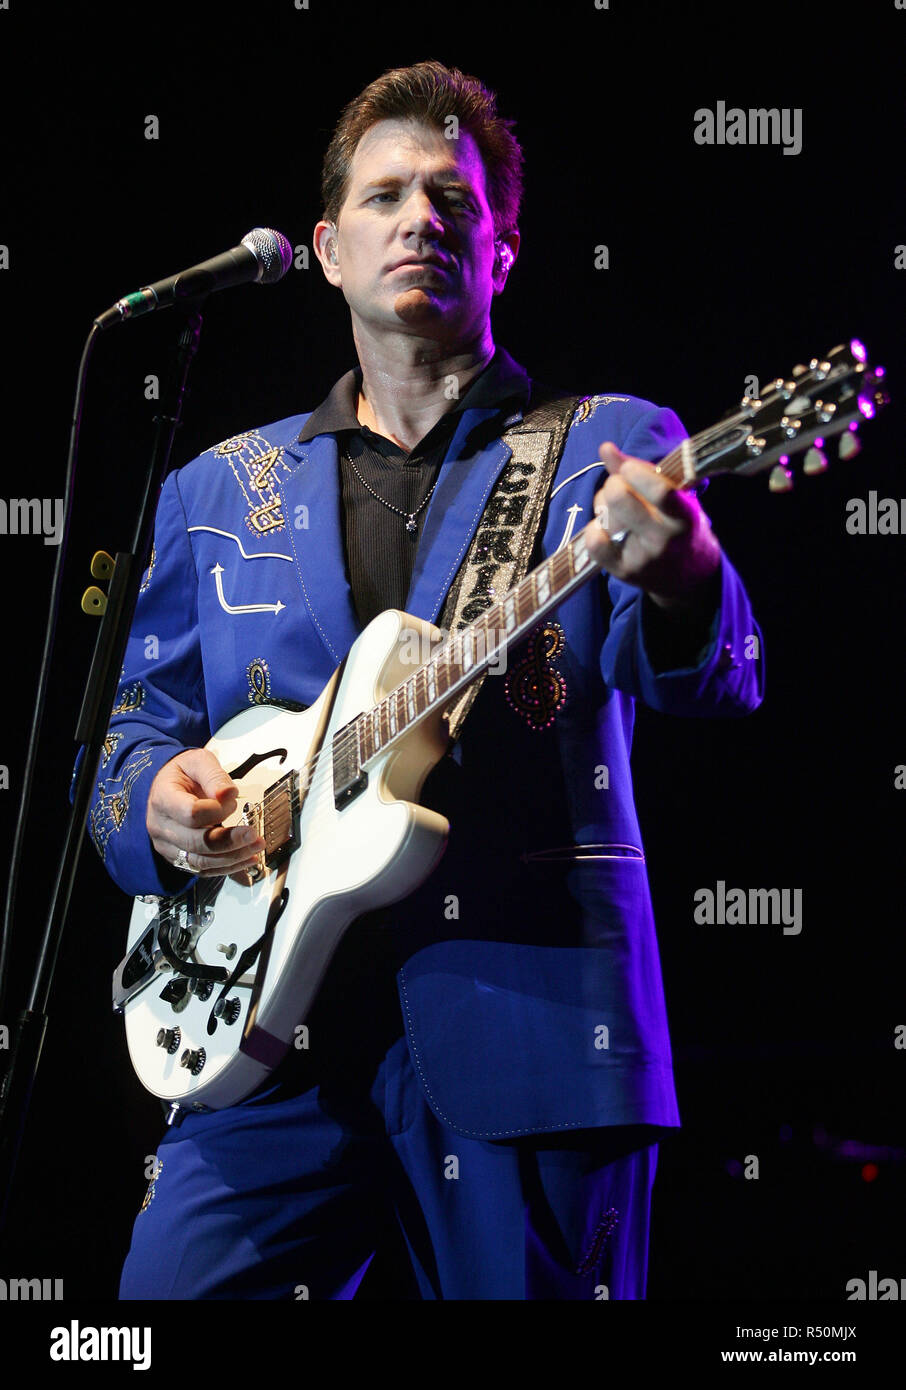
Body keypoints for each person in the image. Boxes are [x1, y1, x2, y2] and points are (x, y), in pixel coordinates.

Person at [88, 60, 764, 1300]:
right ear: (328, 247)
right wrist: (157, 809)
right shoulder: (211, 493)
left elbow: (714, 682)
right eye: (387, 194)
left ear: (503, 253)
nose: (421, 219)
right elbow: (127, 739)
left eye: (455, 201)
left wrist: (688, 575)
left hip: (536, 1028)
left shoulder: (602, 449)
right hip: (263, 1041)